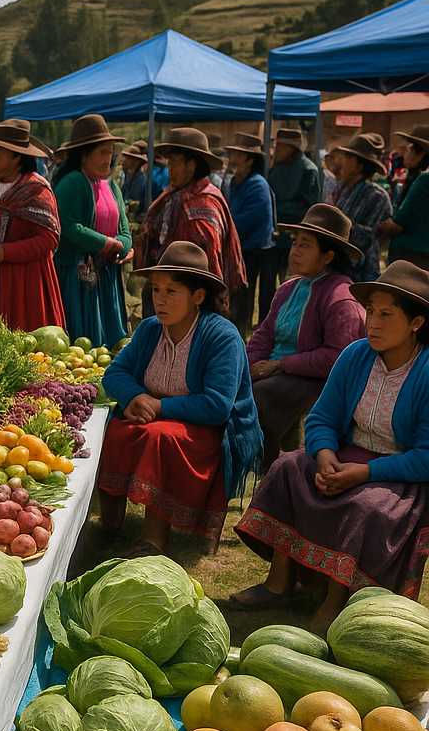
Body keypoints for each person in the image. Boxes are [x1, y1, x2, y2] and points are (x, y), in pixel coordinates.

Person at [234, 260, 429, 635]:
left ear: (416, 322)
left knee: (364, 507)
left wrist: (366, 473)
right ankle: (279, 582)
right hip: (345, 459)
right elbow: (322, 418)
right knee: (288, 468)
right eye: (371, 311)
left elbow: (426, 456)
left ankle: (336, 602)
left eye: (386, 314)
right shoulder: (356, 355)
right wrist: (325, 457)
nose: (372, 322)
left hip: (400, 474)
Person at [97, 242, 261, 556]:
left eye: (172, 291)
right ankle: (110, 525)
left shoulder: (221, 337)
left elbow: (217, 405)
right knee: (115, 430)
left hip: (210, 428)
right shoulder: (149, 330)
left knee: (160, 438)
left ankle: (155, 539)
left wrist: (159, 406)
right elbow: (114, 373)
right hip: (155, 415)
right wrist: (133, 397)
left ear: (198, 296)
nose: (160, 299)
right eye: (156, 290)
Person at [247, 204, 366, 474]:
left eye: (305, 245)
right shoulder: (289, 288)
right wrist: (249, 365)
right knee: (238, 386)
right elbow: (265, 332)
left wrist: (280, 365)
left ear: (327, 256)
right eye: (295, 243)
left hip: (318, 380)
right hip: (278, 371)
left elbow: (338, 357)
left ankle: (269, 471)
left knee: (261, 396)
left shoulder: (341, 297)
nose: (295, 251)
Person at [0, 119, 65, 341]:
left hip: (22, 289)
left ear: (17, 158)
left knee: (22, 350)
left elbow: (48, 240)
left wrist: (4, 252)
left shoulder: (36, 190)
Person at [138, 128, 246, 318]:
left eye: (175, 161)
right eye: (168, 161)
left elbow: (210, 256)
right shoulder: (173, 194)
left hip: (193, 296)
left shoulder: (204, 202)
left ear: (192, 165)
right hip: (167, 286)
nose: (169, 167)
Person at [52, 114, 132, 348]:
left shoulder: (111, 185)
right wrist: (108, 244)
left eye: (110, 152)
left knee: (110, 336)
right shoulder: (73, 183)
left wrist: (121, 246)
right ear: (84, 155)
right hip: (79, 276)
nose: (108, 158)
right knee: (83, 337)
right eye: (102, 152)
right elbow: (68, 226)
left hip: (107, 275)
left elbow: (125, 230)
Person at [223, 132, 276, 328]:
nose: (231, 159)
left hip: (253, 249)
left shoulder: (256, 184)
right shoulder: (235, 182)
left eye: (236, 154)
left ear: (248, 159)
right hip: (239, 247)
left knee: (244, 295)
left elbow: (253, 218)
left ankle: (240, 330)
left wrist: (225, 227)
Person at [327, 132, 393, 283]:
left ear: (360, 166)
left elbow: (367, 237)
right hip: (334, 266)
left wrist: (336, 223)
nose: (342, 160)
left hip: (361, 273)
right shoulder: (340, 190)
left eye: (348, 157)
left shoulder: (377, 196)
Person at [268, 128, 323, 282]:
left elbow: (310, 205)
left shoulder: (308, 170)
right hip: (275, 233)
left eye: (282, 146)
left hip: (297, 232)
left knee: (296, 278)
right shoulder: (276, 168)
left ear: (292, 148)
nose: (277, 149)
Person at [379, 124, 429, 268]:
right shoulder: (417, 178)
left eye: (409, 150)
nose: (405, 155)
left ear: (420, 154)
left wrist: (379, 226)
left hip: (412, 255)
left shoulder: (423, 181)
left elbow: (399, 223)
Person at [119, 140, 149, 221]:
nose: (124, 162)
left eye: (127, 159)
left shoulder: (144, 181)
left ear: (135, 161)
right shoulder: (124, 177)